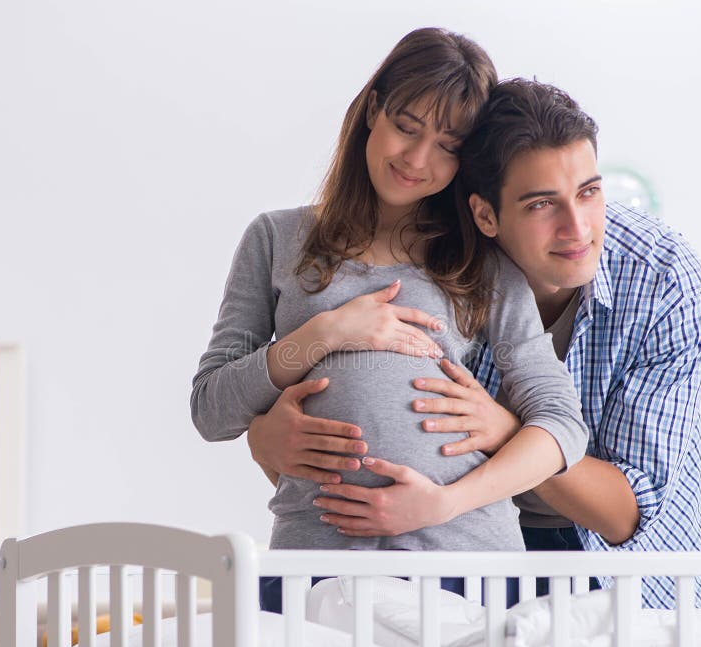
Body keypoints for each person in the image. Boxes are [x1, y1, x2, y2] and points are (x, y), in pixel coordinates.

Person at [249, 78, 701, 609]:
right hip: (474, 545)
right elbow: (358, 425)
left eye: (589, 191)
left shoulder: (664, 280)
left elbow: (624, 515)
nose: (577, 228)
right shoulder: (429, 262)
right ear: (484, 213)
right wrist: (264, 437)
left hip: (623, 568)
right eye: (542, 204)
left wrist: (505, 433)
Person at [191, 34, 588, 611]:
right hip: (314, 567)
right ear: (374, 107)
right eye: (407, 126)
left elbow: (562, 428)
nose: (417, 159)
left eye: (447, 145)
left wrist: (443, 504)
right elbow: (211, 410)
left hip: (464, 565)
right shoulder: (276, 239)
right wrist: (321, 335)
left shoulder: (482, 260)